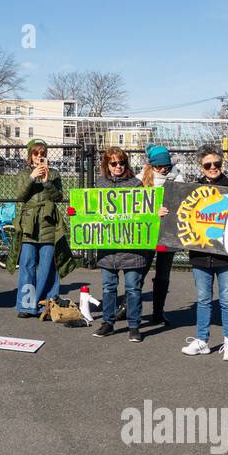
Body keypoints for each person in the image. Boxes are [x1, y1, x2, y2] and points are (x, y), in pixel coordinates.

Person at [181, 144, 228, 361]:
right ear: (201, 166)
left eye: (216, 163)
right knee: (203, 299)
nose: (213, 167)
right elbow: (178, 215)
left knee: (227, 299)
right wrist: (165, 213)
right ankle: (202, 341)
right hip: (200, 255)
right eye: (208, 164)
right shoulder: (191, 191)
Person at [92, 147, 151, 342]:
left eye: (121, 163)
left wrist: (154, 213)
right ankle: (108, 323)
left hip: (132, 248)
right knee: (109, 287)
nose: (118, 167)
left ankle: (134, 326)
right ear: (106, 165)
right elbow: (91, 212)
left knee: (133, 288)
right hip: (108, 247)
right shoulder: (100, 184)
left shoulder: (136, 184)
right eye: (114, 163)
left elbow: (144, 212)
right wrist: (77, 213)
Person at [5, 139, 65, 318]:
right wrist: (32, 177)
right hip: (29, 224)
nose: (40, 156)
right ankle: (26, 306)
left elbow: (58, 197)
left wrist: (47, 182)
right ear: (30, 155)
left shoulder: (53, 173)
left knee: (48, 266)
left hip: (48, 224)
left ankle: (46, 305)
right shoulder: (24, 173)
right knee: (27, 265)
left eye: (42, 153)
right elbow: (21, 196)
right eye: (36, 153)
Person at [139, 143, 186, 326]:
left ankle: (158, 311)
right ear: (151, 165)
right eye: (159, 166)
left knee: (163, 272)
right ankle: (127, 307)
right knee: (139, 270)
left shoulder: (178, 179)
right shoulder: (141, 179)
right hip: (148, 232)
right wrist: (152, 212)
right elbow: (135, 208)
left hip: (169, 232)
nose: (164, 169)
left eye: (166, 165)